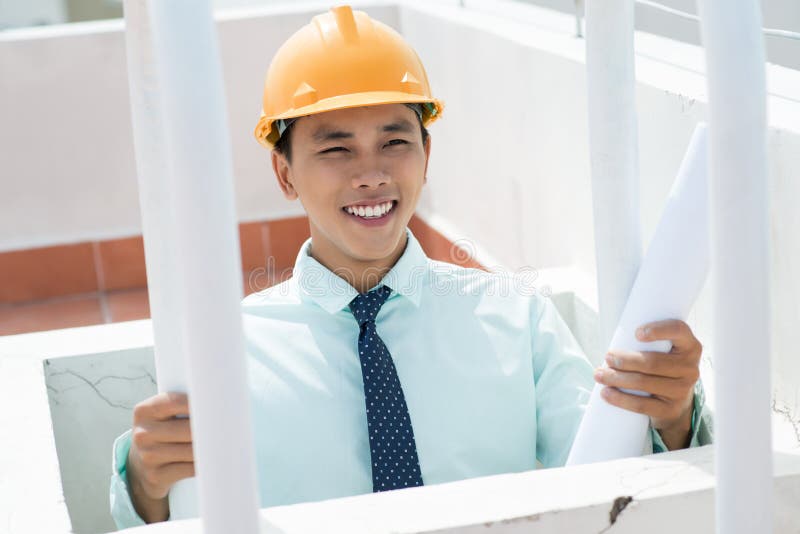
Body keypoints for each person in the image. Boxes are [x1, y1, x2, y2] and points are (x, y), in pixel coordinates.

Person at [109, 5, 711, 528]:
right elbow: (162, 514)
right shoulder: (223, 352)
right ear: (285, 173)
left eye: (395, 141)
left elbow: (606, 470)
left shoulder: (516, 318)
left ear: (427, 155)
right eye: (335, 146)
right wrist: (145, 481)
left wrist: (674, 417)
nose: (371, 173)